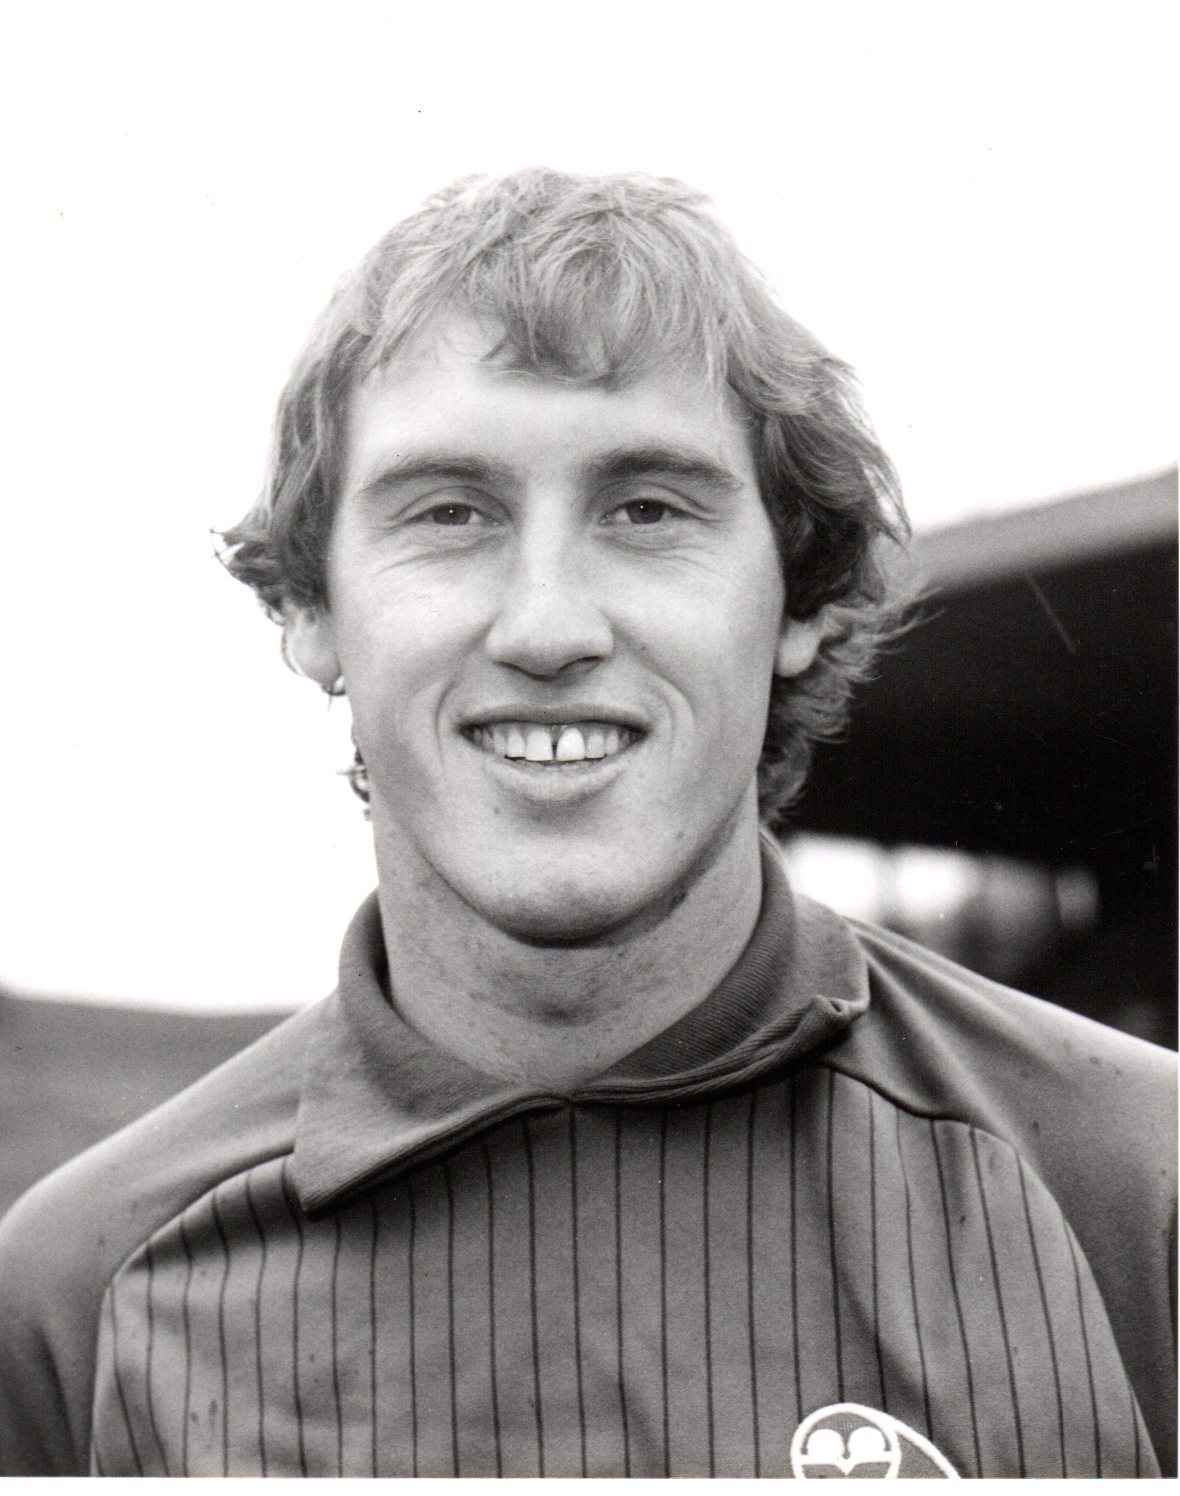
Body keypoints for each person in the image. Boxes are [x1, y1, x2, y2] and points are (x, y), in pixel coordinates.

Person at [0, 170, 1173, 1480]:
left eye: (648, 510)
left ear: (798, 596)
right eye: (449, 513)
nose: (549, 625)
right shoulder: (77, 1296)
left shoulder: (1139, 1191)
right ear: (311, 611)